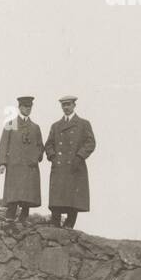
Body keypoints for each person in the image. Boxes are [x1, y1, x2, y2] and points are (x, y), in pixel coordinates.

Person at [45, 95, 96, 228]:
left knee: (74, 197)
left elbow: (91, 143)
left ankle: (69, 223)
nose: (66, 107)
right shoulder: (56, 126)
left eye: (68, 104)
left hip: (75, 166)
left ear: (74, 105)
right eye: (63, 105)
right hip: (59, 166)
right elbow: (49, 144)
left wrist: (79, 156)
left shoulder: (83, 124)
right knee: (57, 195)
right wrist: (52, 157)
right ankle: (55, 222)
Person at [0, 96, 43, 222]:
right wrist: (2, 162)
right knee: (13, 192)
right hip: (14, 165)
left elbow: (40, 146)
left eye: (30, 107)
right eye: (25, 107)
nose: (27, 109)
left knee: (28, 192)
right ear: (19, 107)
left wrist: (36, 157)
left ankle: (24, 216)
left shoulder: (35, 127)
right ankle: (10, 215)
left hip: (30, 165)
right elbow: (3, 144)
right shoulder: (10, 124)